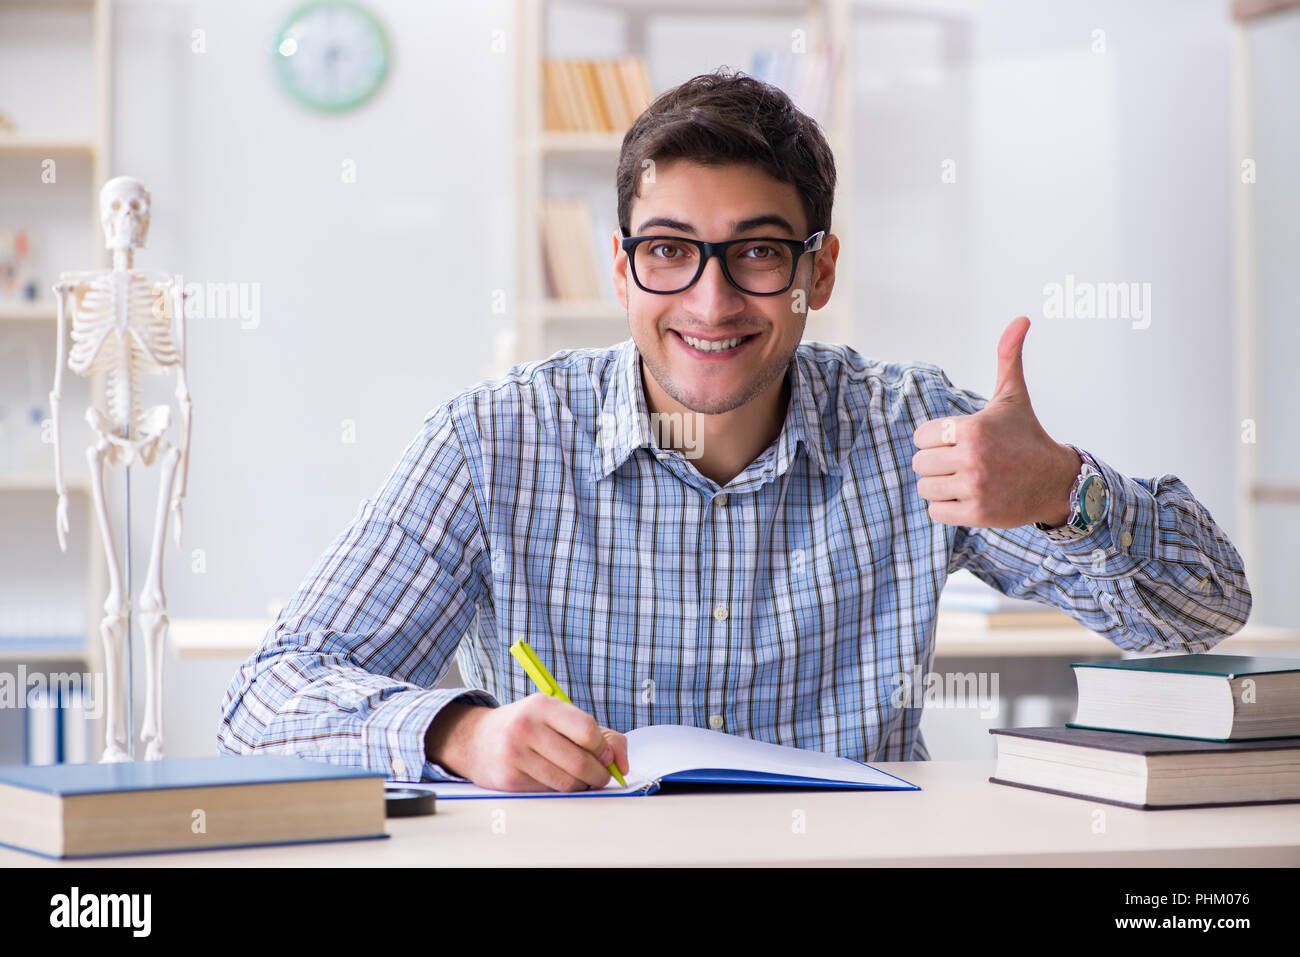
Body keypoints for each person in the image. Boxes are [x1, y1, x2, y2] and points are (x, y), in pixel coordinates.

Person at [218, 67, 1252, 792]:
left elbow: (1205, 614)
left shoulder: (913, 428)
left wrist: (1071, 492)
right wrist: (459, 731)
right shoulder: (494, 442)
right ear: (620, 267)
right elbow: (265, 700)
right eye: (669, 251)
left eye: (757, 254)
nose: (710, 303)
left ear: (819, 271)